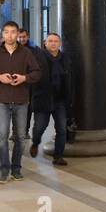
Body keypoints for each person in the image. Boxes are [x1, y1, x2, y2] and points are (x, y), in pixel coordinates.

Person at [0, 21, 40, 183]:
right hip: (2, 100)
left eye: (13, 32)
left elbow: (37, 72)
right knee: (2, 135)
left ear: (18, 34)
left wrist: (25, 78)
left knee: (20, 137)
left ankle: (16, 169)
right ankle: (4, 169)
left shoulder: (26, 53)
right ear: (2, 34)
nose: (10, 35)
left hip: (21, 100)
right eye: (6, 32)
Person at [30, 33, 72, 166]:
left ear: (59, 44)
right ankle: (35, 142)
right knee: (39, 127)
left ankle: (58, 156)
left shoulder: (65, 58)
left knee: (61, 129)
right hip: (43, 98)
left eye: (56, 41)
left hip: (60, 100)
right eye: (50, 41)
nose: (53, 43)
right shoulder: (38, 57)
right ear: (45, 43)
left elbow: (70, 79)